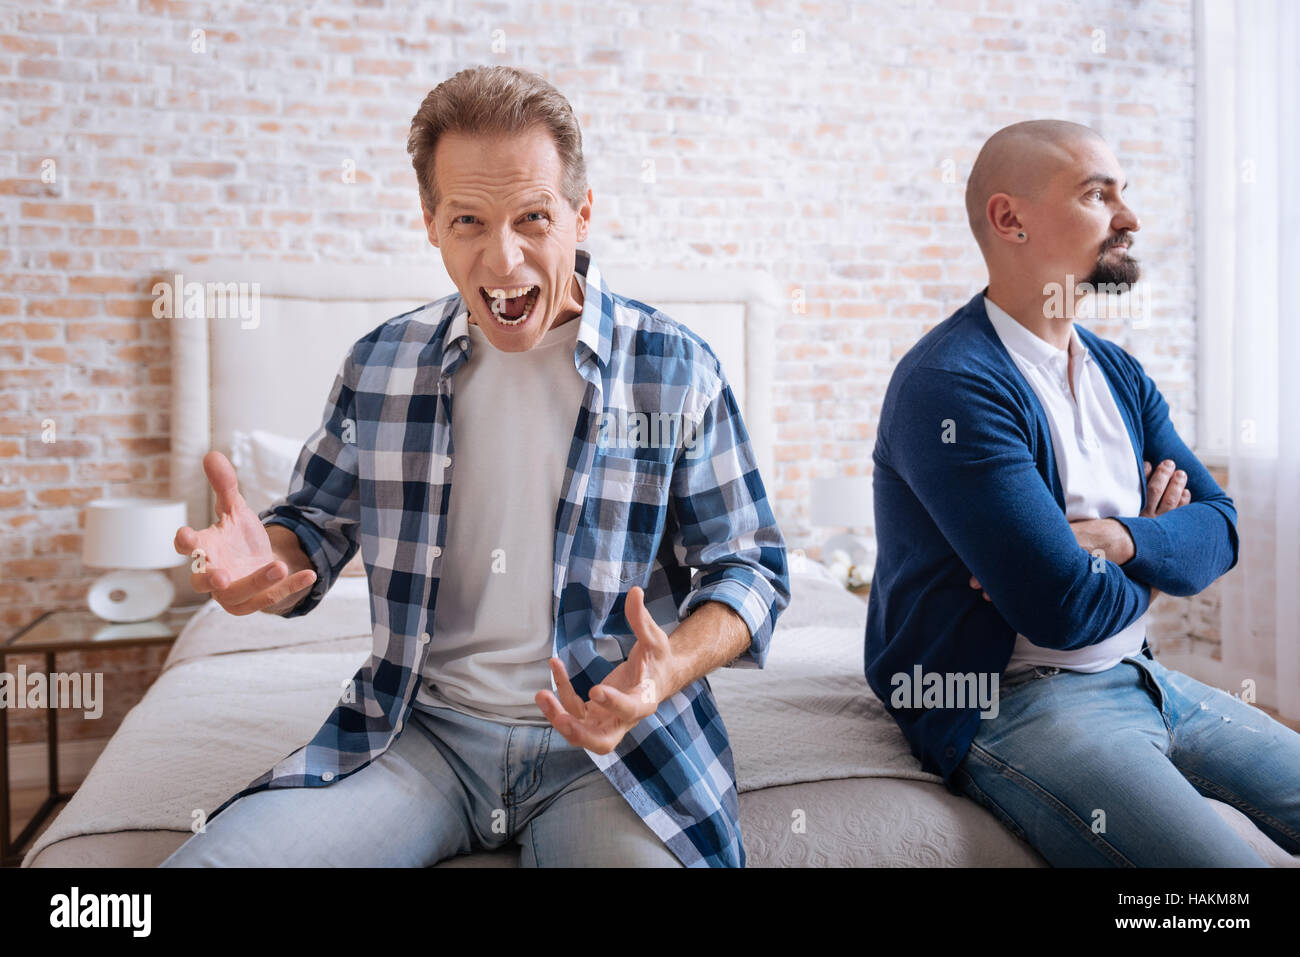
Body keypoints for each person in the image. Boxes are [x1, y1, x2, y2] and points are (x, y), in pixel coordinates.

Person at [162, 65, 788, 868]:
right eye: (468, 220)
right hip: (420, 734)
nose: (504, 259)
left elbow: (752, 567)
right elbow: (312, 531)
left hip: (614, 747)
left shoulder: (675, 369)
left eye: (534, 217)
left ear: (581, 215)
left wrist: (669, 668)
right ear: (430, 222)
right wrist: (272, 558)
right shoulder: (380, 364)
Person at [865, 119, 1300, 866]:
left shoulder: (1119, 373)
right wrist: (1161, 556)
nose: (1129, 218)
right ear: (1011, 219)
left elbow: (1222, 528)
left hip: (1144, 672)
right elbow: (1061, 609)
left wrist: (1124, 540)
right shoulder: (951, 385)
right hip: (1014, 701)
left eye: (1123, 194)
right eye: (1099, 195)